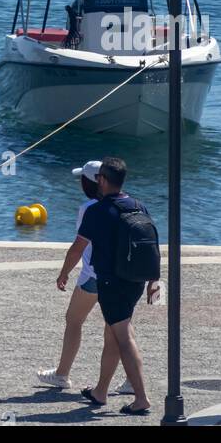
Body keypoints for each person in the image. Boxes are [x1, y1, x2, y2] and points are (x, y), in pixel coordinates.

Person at [56, 156, 159, 415]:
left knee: (123, 336)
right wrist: (154, 280)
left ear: (102, 180)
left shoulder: (97, 211)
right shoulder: (138, 206)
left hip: (111, 282)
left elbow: (77, 248)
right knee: (113, 335)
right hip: (135, 280)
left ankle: (142, 398)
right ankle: (101, 391)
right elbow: (151, 245)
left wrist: (64, 273)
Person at [37, 160, 129, 394]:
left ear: (91, 182)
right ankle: (131, 380)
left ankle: (62, 374)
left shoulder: (89, 208)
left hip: (93, 275)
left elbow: (79, 246)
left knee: (74, 320)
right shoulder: (125, 203)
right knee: (120, 328)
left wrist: (64, 273)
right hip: (122, 276)